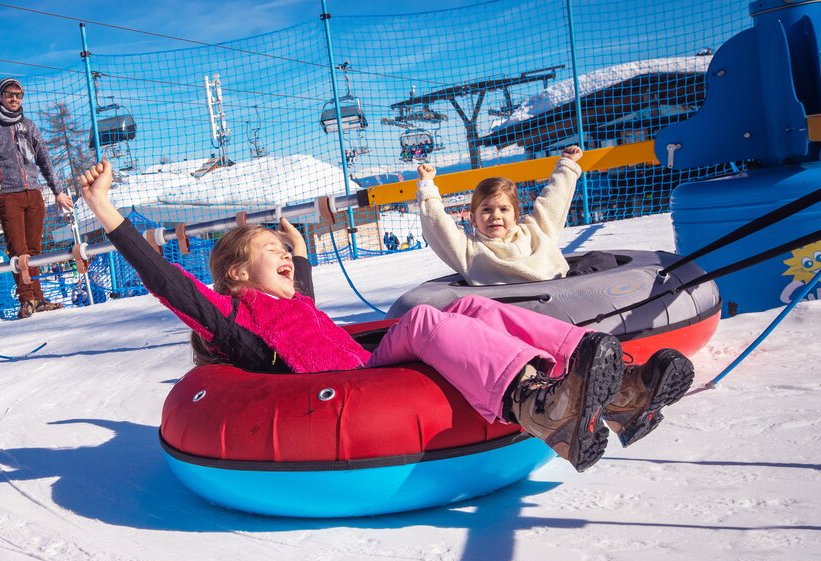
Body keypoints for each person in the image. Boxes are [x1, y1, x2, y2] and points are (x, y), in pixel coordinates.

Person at [78, 160, 694, 472]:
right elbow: (166, 281)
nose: (284, 261)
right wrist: (105, 209)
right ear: (237, 275)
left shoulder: (294, 303)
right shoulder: (232, 317)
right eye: (269, 253)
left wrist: (297, 247)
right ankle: (536, 403)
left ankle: (612, 384)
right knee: (428, 322)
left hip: (366, 362)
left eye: (283, 254)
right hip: (345, 386)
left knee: (470, 304)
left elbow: (306, 296)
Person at [417, 145, 614, 286]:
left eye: (504, 209)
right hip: (511, 310)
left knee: (601, 259)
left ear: (516, 215)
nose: (495, 216)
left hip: (562, 294)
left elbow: (554, 198)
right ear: (473, 218)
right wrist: (427, 186)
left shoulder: (535, 231)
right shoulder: (469, 251)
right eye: (486, 210)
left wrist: (567, 164)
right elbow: (438, 225)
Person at [0, 77, 74, 319]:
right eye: (9, 94)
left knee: (35, 250)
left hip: (33, 195)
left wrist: (57, 191)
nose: (14, 98)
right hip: (7, 196)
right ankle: (26, 298)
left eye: (18, 94)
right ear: (0, 96)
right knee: (18, 251)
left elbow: (44, 159)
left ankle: (38, 298)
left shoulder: (28, 126)